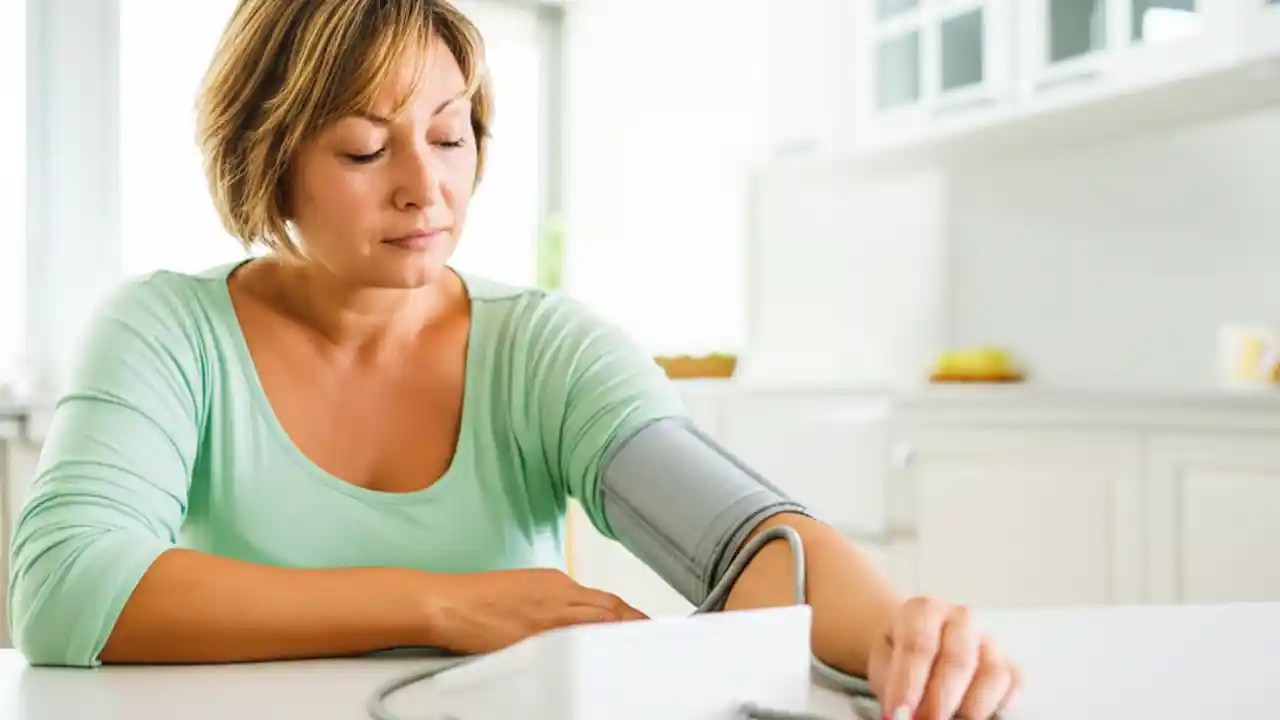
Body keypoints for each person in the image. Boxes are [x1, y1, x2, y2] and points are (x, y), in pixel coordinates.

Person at [7, 1, 1020, 718]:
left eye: (449, 138)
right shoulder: (164, 332)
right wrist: (441, 602)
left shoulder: (543, 348)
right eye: (365, 150)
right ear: (267, 158)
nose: (425, 188)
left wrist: (898, 629)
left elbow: (742, 541)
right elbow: (68, 592)